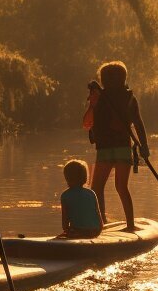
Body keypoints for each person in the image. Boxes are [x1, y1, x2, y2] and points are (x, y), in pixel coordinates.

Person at [87, 61, 148, 232]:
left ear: (104, 79)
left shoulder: (100, 96)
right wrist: (145, 146)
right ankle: (130, 224)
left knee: (97, 187)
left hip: (105, 148)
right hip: (122, 148)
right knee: (121, 187)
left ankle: (102, 222)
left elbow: (88, 121)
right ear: (123, 78)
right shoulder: (129, 97)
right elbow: (139, 123)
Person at [59, 159, 103, 238]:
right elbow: (99, 218)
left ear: (67, 178)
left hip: (78, 231)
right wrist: (98, 230)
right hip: (96, 231)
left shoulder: (65, 195)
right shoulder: (91, 193)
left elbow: (64, 224)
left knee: (64, 235)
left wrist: (67, 231)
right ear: (85, 177)